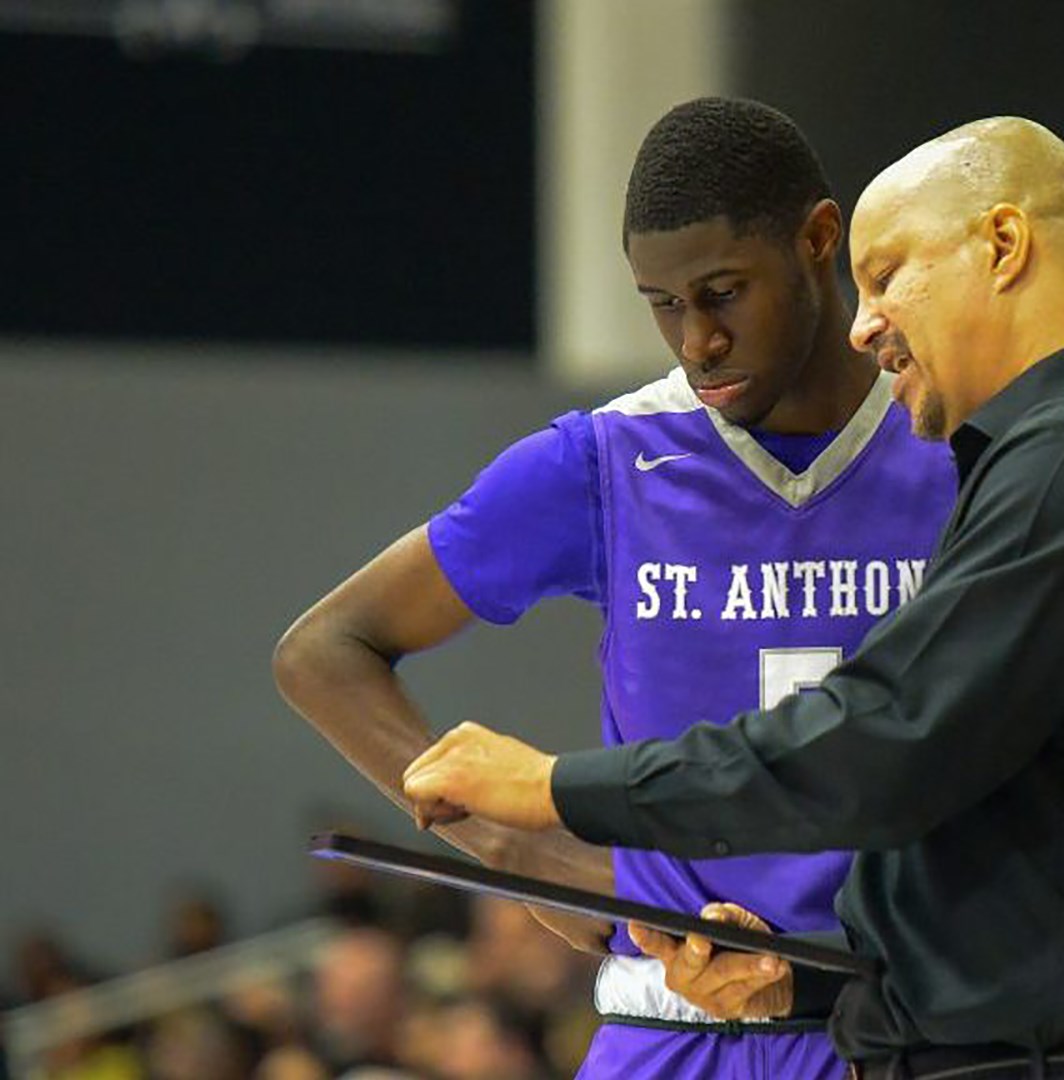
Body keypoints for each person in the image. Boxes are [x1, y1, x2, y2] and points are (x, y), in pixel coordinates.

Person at [400, 115, 1064, 1078]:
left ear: (1003, 246)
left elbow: (879, 741)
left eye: (885, 276)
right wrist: (811, 984)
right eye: (663, 303)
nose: (863, 318)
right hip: (921, 1034)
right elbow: (947, 786)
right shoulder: (1055, 456)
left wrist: (549, 797)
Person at [275, 97, 956, 1080]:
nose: (696, 339)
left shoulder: (960, 446)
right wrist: (520, 852)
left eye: (723, 292)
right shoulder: (605, 460)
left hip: (911, 1029)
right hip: (670, 1033)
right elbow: (325, 651)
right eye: (662, 303)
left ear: (818, 240)